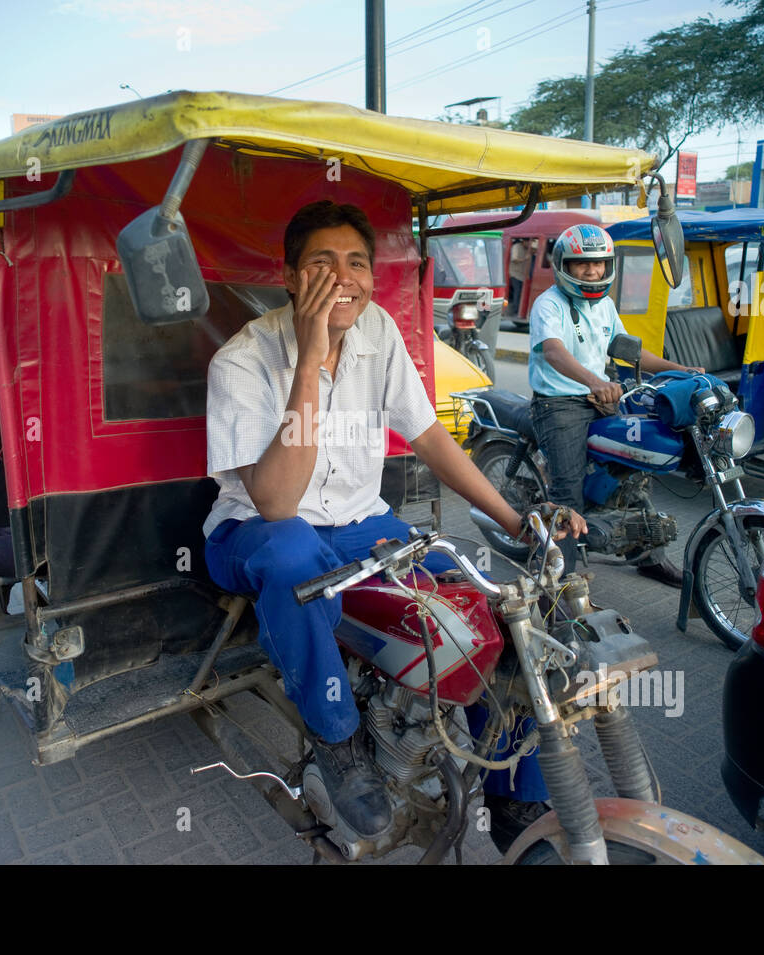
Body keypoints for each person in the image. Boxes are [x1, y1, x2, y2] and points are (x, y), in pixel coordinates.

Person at [202, 200, 587, 841]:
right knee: (294, 550)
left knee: (508, 607)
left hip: (362, 525)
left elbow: (430, 436)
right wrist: (309, 358)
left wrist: (518, 523)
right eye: (322, 264)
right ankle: (339, 737)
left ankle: (516, 798)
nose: (342, 278)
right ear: (292, 277)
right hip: (254, 533)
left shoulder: (378, 331)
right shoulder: (241, 361)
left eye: (356, 263)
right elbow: (275, 502)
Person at [527, 224, 703, 587]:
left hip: (601, 399)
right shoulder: (549, 304)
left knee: (638, 467)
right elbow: (553, 351)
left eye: (598, 264)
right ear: (564, 265)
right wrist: (594, 381)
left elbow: (628, 349)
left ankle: (648, 556)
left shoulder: (604, 305)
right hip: (559, 405)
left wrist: (678, 369)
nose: (592, 272)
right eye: (581, 265)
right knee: (566, 494)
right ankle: (559, 583)